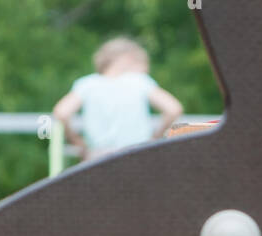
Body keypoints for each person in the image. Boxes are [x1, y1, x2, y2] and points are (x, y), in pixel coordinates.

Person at [52, 37, 183, 161]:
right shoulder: (139, 81)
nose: (145, 71)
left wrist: (78, 143)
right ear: (128, 59)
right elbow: (173, 109)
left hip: (97, 157)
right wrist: (155, 138)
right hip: (135, 154)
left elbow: (61, 112)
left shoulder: (87, 84)